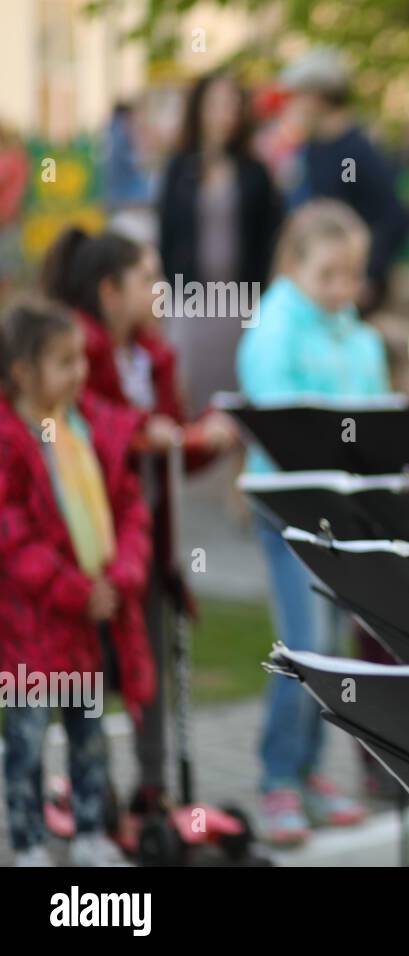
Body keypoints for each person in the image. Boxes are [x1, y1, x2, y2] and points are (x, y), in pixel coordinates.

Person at [40, 226, 240, 819]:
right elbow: (79, 423)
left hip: (148, 538)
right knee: (88, 668)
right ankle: (88, 783)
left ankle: (152, 786)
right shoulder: (76, 351)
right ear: (110, 291)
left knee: (149, 656)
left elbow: (171, 440)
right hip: (87, 538)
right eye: (148, 278)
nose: (160, 290)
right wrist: (138, 431)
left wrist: (209, 433)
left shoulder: (152, 356)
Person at [236, 199, 388, 846]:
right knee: (304, 648)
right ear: (293, 266)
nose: (343, 289)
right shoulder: (271, 331)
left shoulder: (357, 333)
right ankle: (277, 779)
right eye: (328, 274)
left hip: (343, 514)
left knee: (330, 648)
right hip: (291, 511)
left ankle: (308, 772)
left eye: (352, 275)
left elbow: (376, 415)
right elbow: (282, 420)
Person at [0, 297, 155, 866]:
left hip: (88, 621)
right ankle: (28, 842)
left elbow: (126, 509)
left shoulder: (80, 431)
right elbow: (11, 535)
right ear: (23, 372)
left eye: (81, 360)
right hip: (29, 627)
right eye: (65, 362)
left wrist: (119, 576)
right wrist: (75, 590)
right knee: (26, 741)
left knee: (90, 735)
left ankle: (91, 830)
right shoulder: (10, 439)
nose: (80, 372)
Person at [157, 70, 282, 412]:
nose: (225, 114)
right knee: (192, 392)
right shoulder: (179, 170)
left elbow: (269, 236)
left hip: (242, 300)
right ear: (198, 109)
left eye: (232, 105)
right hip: (193, 299)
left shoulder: (255, 172)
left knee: (243, 392)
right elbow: (166, 235)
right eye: (216, 104)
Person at [280, 48, 408, 314]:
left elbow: (393, 218)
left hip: (348, 291)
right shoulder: (314, 148)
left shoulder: (356, 152)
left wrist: (366, 275)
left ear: (318, 97)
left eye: (299, 96)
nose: (293, 105)